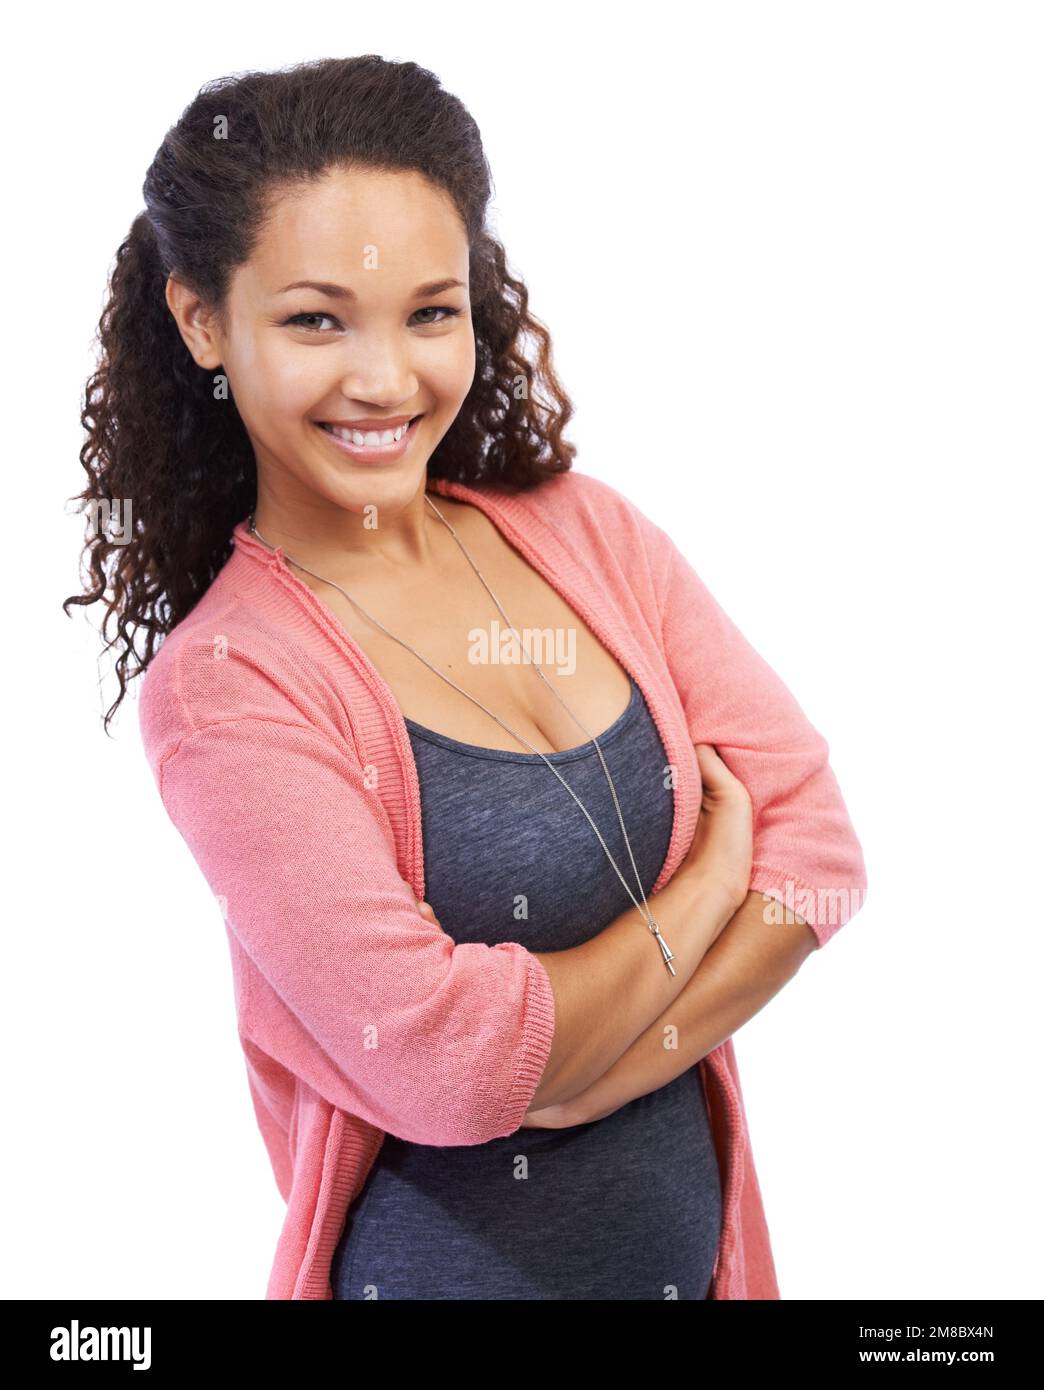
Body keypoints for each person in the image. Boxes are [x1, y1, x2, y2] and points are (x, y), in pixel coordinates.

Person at [65, 55, 868, 1300]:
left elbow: (817, 864)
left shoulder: (588, 534)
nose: (386, 380)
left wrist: (594, 1066)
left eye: (429, 312)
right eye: (316, 319)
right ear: (203, 322)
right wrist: (712, 877)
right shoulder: (230, 685)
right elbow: (448, 1064)